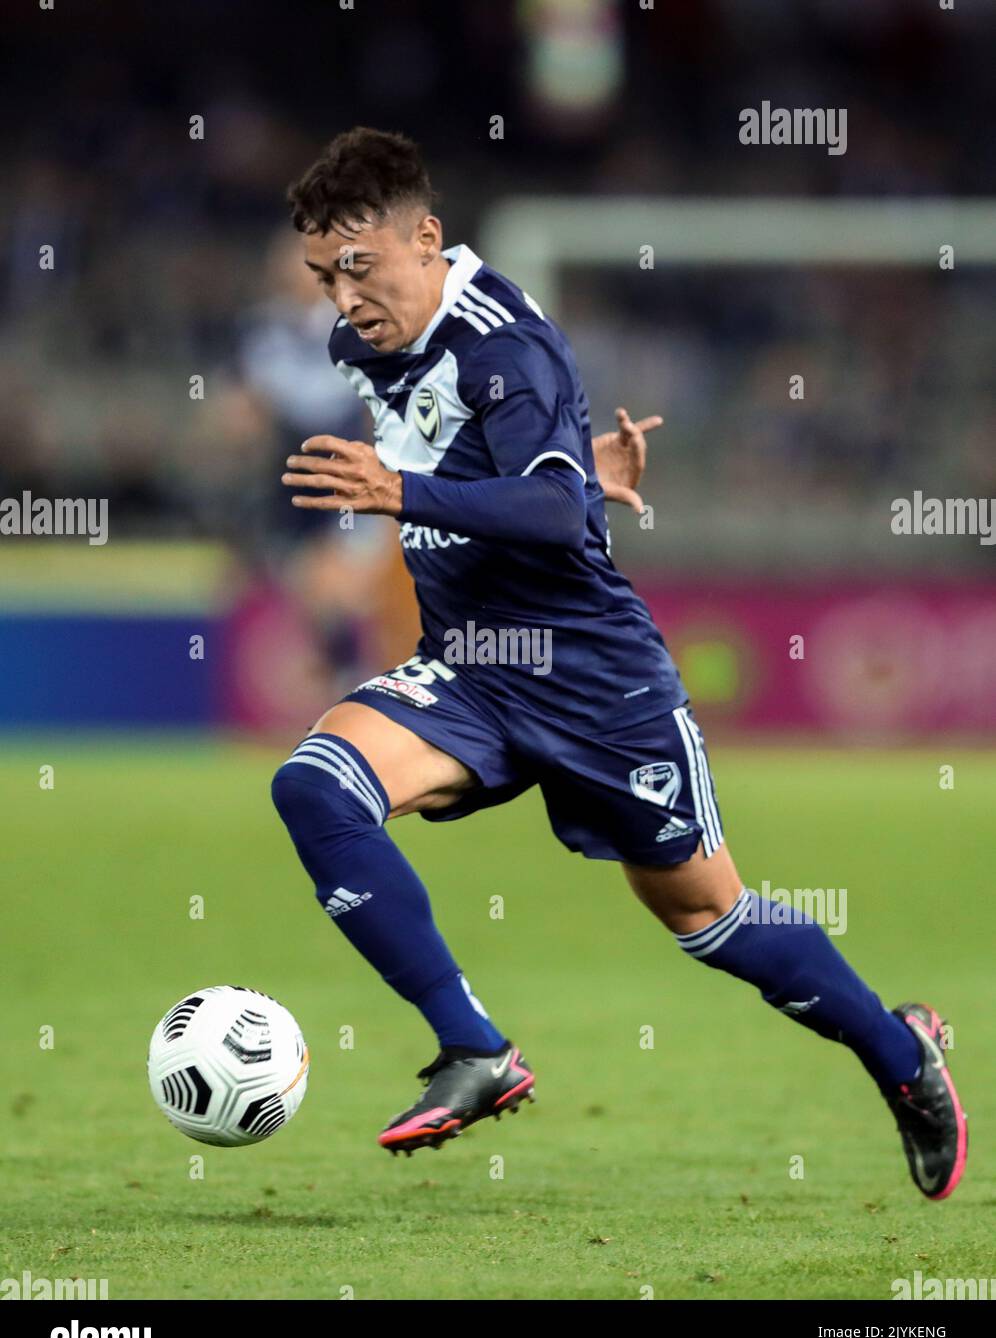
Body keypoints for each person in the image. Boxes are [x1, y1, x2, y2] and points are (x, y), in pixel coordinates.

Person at [271, 128, 966, 1198]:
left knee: (710, 918)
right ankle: (476, 1049)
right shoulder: (364, 345)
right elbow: (517, 470)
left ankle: (899, 1053)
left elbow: (547, 513)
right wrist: (576, 467)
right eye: (324, 276)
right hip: (470, 669)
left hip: (597, 683)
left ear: (427, 238)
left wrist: (439, 491)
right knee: (315, 783)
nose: (342, 298)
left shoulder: (509, 344)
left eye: (359, 268)